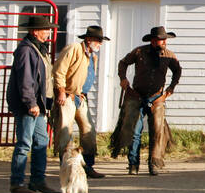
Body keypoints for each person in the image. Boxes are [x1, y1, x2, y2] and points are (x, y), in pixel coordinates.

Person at [114, 26, 181, 175]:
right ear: (153, 41)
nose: (164, 42)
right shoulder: (139, 52)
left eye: (164, 39)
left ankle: (154, 164)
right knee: (134, 131)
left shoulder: (169, 55)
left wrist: (170, 88)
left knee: (157, 132)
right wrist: (123, 79)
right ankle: (133, 164)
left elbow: (177, 70)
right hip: (137, 96)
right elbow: (123, 63)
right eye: (160, 40)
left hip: (157, 98)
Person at [6, 14, 60, 193]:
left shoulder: (38, 49)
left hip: (39, 105)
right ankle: (17, 183)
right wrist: (30, 103)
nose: (48, 32)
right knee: (24, 143)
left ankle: (37, 181)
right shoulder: (26, 51)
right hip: (29, 106)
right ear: (35, 32)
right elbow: (25, 80)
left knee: (41, 142)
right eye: (46, 30)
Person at [51, 24, 109, 179]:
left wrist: (81, 93)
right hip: (68, 95)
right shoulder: (74, 49)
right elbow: (59, 71)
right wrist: (61, 91)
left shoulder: (92, 57)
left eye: (100, 41)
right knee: (65, 133)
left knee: (89, 131)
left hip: (80, 96)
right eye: (97, 40)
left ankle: (87, 166)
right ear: (88, 39)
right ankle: (66, 167)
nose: (100, 44)